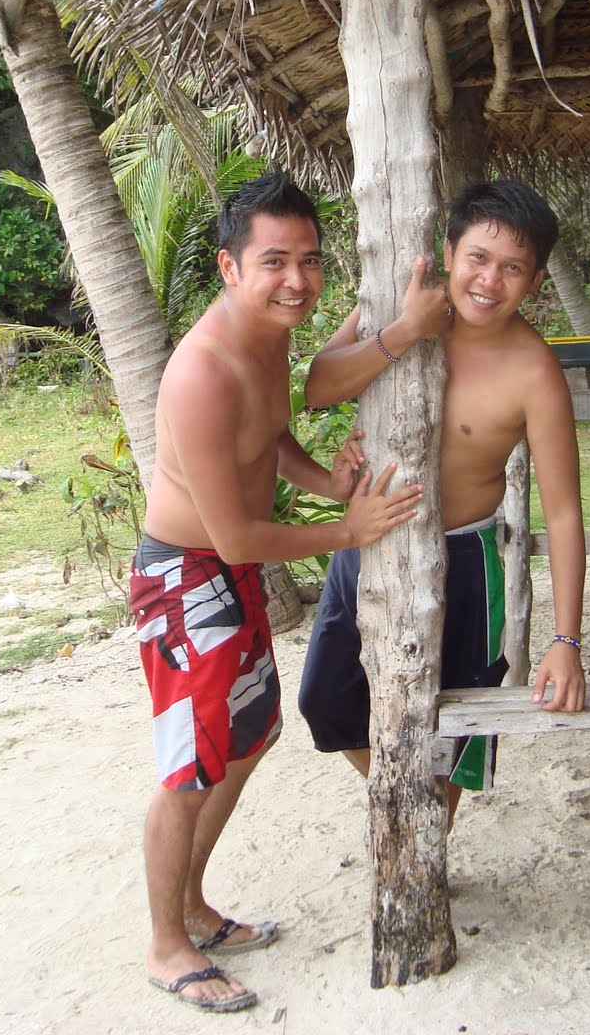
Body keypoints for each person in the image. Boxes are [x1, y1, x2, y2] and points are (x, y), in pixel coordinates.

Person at [134, 172, 422, 1014]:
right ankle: (164, 944)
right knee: (187, 768)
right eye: (274, 262)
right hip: (187, 576)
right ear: (229, 266)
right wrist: (351, 530)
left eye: (309, 260)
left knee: (248, 738)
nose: (297, 280)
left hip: (228, 573)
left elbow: (273, 436)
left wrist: (330, 486)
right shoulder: (203, 373)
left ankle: (192, 905)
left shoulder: (270, 334)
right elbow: (235, 537)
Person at [298, 178, 588, 817]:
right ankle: (407, 809)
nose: (490, 280)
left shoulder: (534, 371)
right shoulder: (397, 307)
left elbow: (564, 513)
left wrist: (566, 642)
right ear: (449, 253)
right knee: (325, 701)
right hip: (367, 544)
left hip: (462, 558)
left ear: (536, 280)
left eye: (513, 268)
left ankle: (428, 831)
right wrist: (402, 332)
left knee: (458, 725)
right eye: (478, 258)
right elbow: (318, 386)